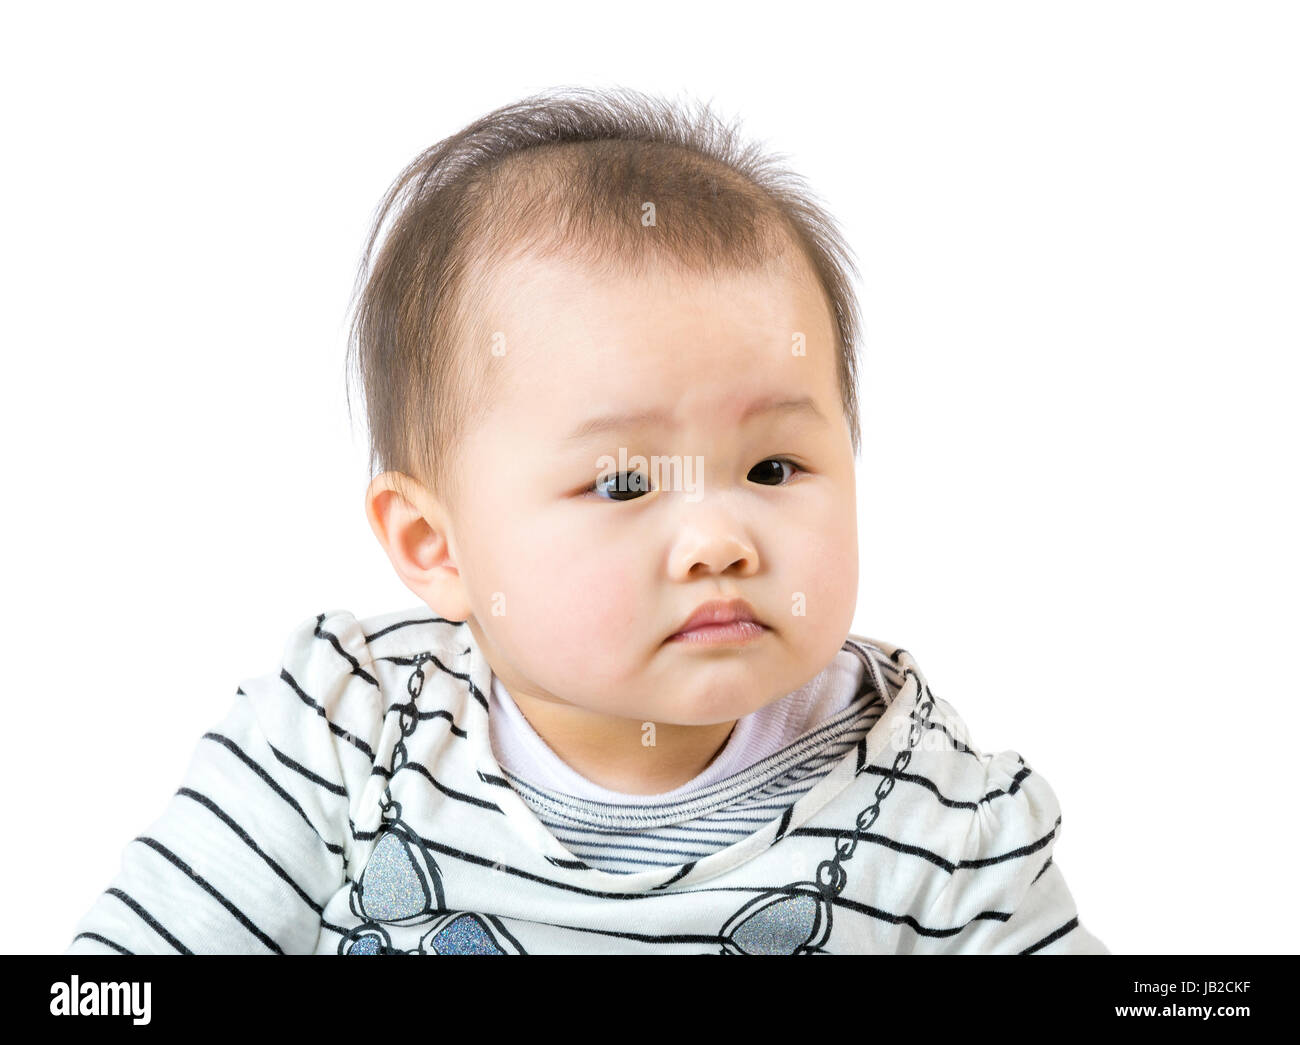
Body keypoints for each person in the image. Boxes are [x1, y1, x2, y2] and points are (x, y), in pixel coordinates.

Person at [66, 86, 1107, 955]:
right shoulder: (337, 737)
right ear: (435, 547)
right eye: (622, 485)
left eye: (773, 464)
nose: (719, 540)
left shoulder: (943, 824)